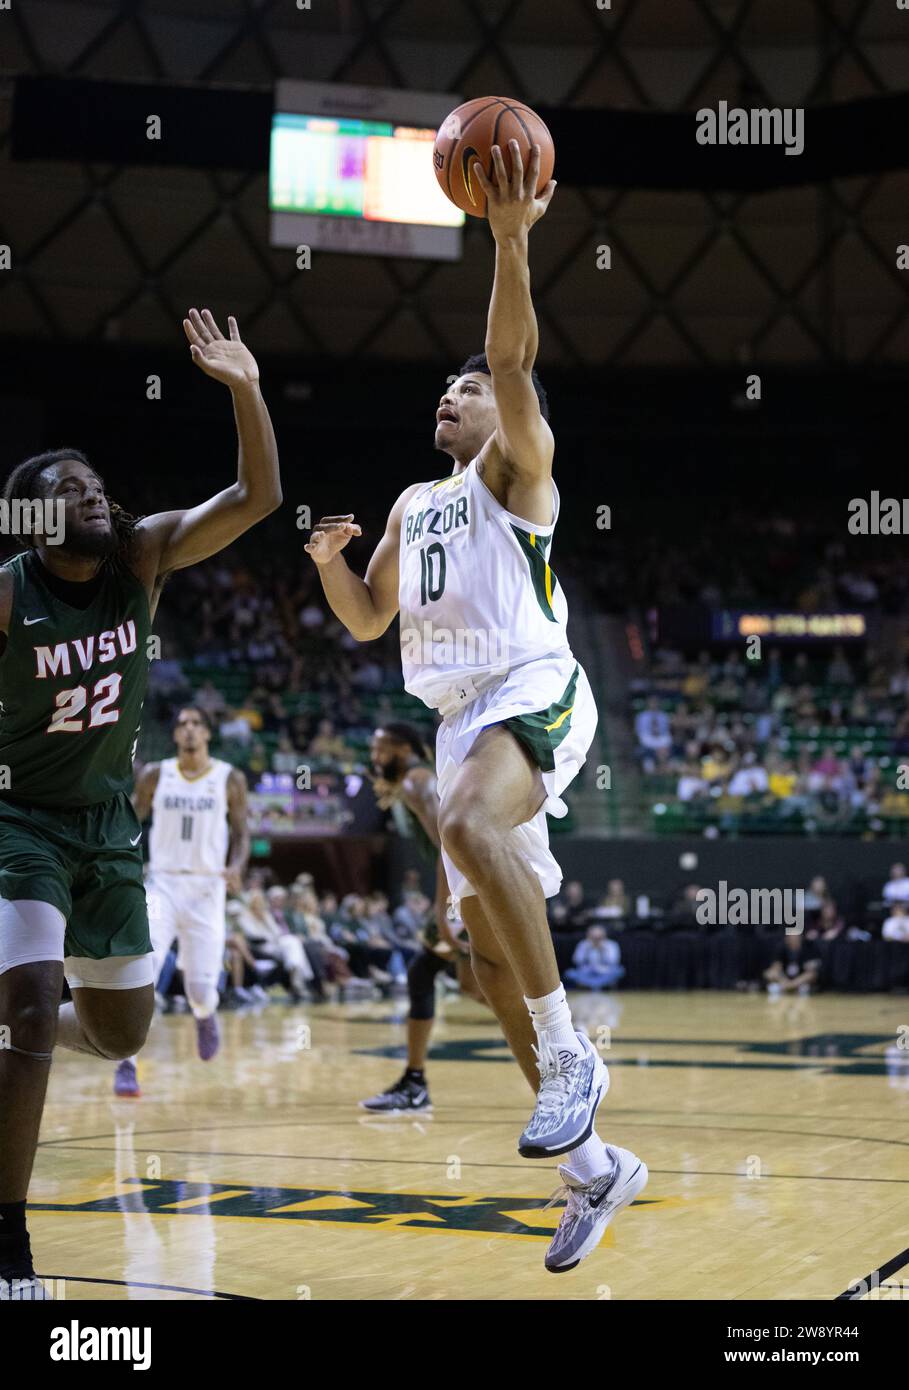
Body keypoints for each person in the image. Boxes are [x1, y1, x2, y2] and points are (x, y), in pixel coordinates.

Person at [306, 147, 645, 1273]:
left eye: (462, 388)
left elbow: (512, 355)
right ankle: (594, 1171)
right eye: (442, 394)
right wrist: (327, 561)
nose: (448, 399)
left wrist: (508, 237)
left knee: (460, 824)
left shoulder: (519, 468)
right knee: (487, 962)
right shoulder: (414, 502)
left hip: (535, 686)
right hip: (461, 720)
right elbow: (366, 619)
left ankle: (570, 1055)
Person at [0, 308, 281, 1296]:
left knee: (119, 1031)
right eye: (66, 489)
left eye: (96, 482)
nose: (93, 495)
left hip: (109, 831)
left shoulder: (145, 556)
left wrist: (243, 384)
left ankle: (16, 1019)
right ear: (31, 517)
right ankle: (8, 1241)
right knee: (33, 998)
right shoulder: (8, 592)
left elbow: (258, 495)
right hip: (18, 821)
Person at [112, 706, 250, 1096]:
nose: (189, 730)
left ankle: (205, 1015)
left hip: (208, 889)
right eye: (182, 725)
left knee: (201, 992)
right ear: (175, 735)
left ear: (207, 734)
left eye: (196, 724)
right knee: (147, 968)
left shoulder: (229, 778)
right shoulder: (156, 773)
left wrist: (236, 865)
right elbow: (130, 822)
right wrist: (125, 863)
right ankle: (126, 1062)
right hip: (163, 884)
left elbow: (242, 832)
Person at [360, 722, 486, 1114]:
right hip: (469, 885)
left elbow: (449, 845)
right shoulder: (413, 782)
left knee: (442, 978)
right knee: (473, 984)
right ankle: (564, 1041)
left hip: (465, 886)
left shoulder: (416, 782)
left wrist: (443, 912)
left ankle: (566, 1042)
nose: (374, 758)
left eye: (381, 750)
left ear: (402, 749)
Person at [564, 927, 625, 992]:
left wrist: (603, 950)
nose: (596, 940)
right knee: (569, 973)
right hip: (587, 972)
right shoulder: (583, 944)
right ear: (589, 936)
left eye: (599, 938)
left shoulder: (611, 944)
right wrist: (587, 950)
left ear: (604, 936)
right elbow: (576, 961)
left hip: (605, 972)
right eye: (593, 937)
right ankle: (595, 985)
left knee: (619, 971)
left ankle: (593, 985)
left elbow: (614, 962)